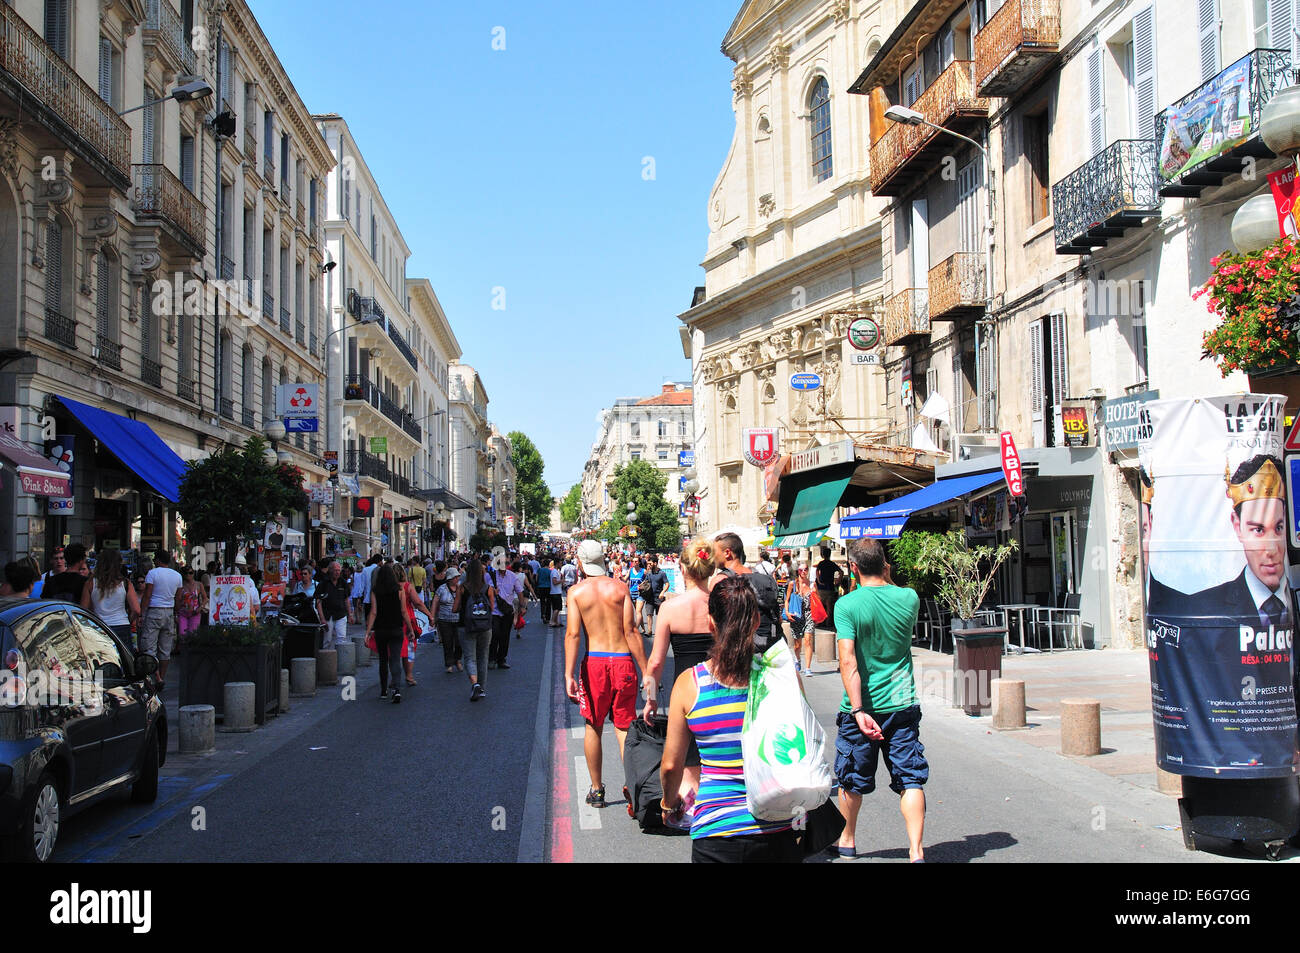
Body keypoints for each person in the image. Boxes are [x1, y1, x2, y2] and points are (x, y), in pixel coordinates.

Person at [660, 575, 799, 862]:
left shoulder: (690, 684)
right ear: (757, 622)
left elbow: (672, 765)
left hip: (716, 831)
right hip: (778, 825)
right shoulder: (781, 676)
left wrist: (667, 803)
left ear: (711, 622)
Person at [833, 537, 926, 862]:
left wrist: (858, 709)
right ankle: (916, 850)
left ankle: (847, 839)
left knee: (852, 778)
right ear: (885, 565)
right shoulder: (909, 598)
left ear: (853, 568)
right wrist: (885, 574)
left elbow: (848, 660)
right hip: (902, 703)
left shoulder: (847, 605)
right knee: (910, 778)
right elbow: (892, 590)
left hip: (862, 709)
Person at [564, 540, 649, 808]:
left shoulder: (576, 592)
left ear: (580, 562)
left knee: (593, 725)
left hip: (595, 663)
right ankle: (633, 790)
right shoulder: (620, 588)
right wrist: (646, 670)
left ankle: (597, 789)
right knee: (624, 727)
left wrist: (569, 673)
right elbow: (631, 631)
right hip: (623, 661)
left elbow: (573, 634)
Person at [644, 539, 716, 799]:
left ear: (683, 570)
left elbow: (655, 662)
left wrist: (649, 698)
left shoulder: (670, 608)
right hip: (723, 687)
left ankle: (690, 810)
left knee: (689, 759)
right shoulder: (723, 606)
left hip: (686, 690)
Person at [710, 533, 782, 653]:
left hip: (738, 649)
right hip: (768, 646)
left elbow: (714, 622)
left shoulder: (721, 581)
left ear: (727, 553)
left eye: (714, 552)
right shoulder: (760, 577)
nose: (712, 556)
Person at [365, 563, 409, 703]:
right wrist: (411, 629)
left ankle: (383, 690)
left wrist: (368, 631)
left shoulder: (375, 591)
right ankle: (396, 689)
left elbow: (374, 612)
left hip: (381, 629)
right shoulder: (399, 590)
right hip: (396, 628)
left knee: (383, 660)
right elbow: (403, 611)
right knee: (395, 659)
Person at [139, 549, 184, 688]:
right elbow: (178, 598)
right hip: (169, 612)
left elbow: (147, 595)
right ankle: (162, 677)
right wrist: (176, 612)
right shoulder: (177, 576)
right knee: (165, 649)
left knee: (149, 647)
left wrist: (142, 613)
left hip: (154, 611)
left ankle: (156, 677)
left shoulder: (152, 573)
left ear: (158, 560)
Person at [454, 558, 496, 701]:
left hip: (466, 626)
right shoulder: (488, 588)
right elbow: (491, 608)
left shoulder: (462, 587)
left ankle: (475, 684)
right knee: (483, 656)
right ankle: (482, 688)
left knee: (470, 657)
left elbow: (455, 608)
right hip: (485, 626)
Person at [487, 557, 522, 669]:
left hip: (507, 610)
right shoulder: (490, 576)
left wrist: (522, 606)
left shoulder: (512, 576)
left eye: (505, 563)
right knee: (494, 635)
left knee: (505, 636)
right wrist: (492, 592)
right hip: (494, 611)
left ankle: (501, 659)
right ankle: (491, 659)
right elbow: (483, 590)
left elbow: (519, 591)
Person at [784, 562, 814, 674]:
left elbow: (817, 601)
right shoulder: (793, 584)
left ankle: (808, 668)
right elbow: (786, 600)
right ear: (798, 572)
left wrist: (815, 593)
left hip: (808, 614)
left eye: (805, 569)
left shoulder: (812, 584)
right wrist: (787, 613)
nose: (803, 572)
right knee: (797, 644)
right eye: (801, 570)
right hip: (796, 616)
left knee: (808, 640)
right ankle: (798, 660)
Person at [432, 568, 464, 673]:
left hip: (459, 619)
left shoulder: (461, 588)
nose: (457, 579)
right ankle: (449, 663)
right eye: (455, 577)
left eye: (458, 577)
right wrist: (432, 616)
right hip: (444, 619)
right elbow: (435, 602)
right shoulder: (442, 589)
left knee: (459, 642)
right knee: (447, 642)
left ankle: (457, 659)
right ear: (450, 579)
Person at [315, 558, 352, 649]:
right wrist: (322, 618)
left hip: (341, 614)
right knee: (327, 640)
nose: (337, 572)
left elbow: (346, 599)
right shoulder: (324, 583)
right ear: (330, 570)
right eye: (335, 570)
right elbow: (318, 601)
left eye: (339, 570)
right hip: (328, 615)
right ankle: (325, 660)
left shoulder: (343, 583)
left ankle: (341, 660)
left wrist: (350, 614)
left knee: (342, 640)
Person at [640, 554, 669, 637]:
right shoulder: (649, 573)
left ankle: (661, 631)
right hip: (650, 597)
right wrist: (641, 586)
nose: (649, 565)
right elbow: (645, 582)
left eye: (650, 563)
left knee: (660, 616)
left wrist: (662, 592)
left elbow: (667, 584)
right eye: (648, 564)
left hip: (659, 598)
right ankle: (649, 631)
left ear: (655, 563)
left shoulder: (662, 573)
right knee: (649, 614)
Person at [175, 568, 206, 645]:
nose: (188, 575)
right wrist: (176, 614)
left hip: (195, 613)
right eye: (186, 573)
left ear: (193, 574)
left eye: (190, 573)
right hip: (183, 613)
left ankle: (191, 653)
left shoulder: (199, 584)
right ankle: (183, 652)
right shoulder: (180, 585)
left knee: (193, 635)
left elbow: (205, 598)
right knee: (182, 634)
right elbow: (177, 600)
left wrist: (200, 607)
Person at [816, 545, 842, 632]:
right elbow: (841, 571)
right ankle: (828, 622)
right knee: (829, 606)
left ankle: (821, 622)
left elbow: (817, 571)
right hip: (830, 586)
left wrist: (819, 580)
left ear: (823, 555)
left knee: (821, 605)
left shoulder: (821, 563)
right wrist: (838, 581)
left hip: (821, 587)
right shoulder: (832, 564)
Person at [628, 557, 647, 635]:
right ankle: (643, 628)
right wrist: (620, 577)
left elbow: (648, 580)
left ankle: (635, 629)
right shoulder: (630, 570)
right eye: (633, 561)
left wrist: (642, 585)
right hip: (632, 592)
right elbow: (625, 579)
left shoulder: (644, 571)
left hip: (640, 593)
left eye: (636, 561)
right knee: (638, 612)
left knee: (638, 611)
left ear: (639, 562)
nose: (634, 562)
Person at [536, 557, 553, 625]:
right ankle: (548, 617)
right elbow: (551, 579)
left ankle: (543, 614)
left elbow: (537, 578)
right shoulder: (550, 571)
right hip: (548, 587)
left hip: (541, 587)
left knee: (542, 602)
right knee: (548, 602)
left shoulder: (539, 570)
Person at [549, 560, 564, 628]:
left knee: (557, 608)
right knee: (557, 608)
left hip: (557, 591)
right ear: (557, 563)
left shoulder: (556, 571)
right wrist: (562, 581)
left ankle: (556, 622)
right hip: (555, 592)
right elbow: (554, 582)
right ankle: (552, 621)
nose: (561, 564)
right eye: (560, 563)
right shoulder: (554, 572)